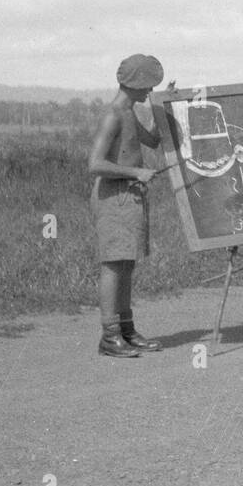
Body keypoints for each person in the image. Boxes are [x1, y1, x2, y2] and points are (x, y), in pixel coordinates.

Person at [89, 53, 165, 358]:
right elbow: (95, 165)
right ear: (133, 83)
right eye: (148, 85)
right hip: (114, 196)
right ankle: (109, 337)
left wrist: (160, 106)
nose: (150, 91)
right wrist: (136, 172)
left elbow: (154, 140)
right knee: (114, 265)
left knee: (126, 264)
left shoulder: (131, 112)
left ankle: (126, 330)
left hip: (130, 196)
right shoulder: (114, 115)